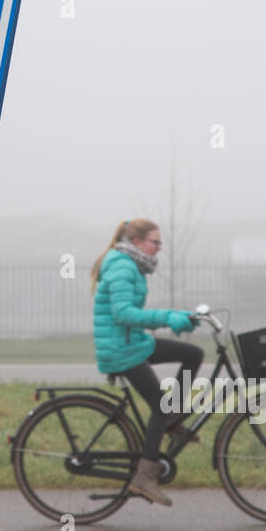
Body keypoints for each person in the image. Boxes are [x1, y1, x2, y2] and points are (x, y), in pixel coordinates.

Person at [91, 217, 204, 507]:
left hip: (133, 343)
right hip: (121, 350)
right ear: (138, 242)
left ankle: (171, 418)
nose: (159, 248)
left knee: (193, 354)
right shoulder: (122, 267)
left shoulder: (132, 266)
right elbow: (123, 314)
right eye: (156, 242)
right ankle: (144, 478)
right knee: (160, 405)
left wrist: (180, 316)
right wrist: (168, 317)